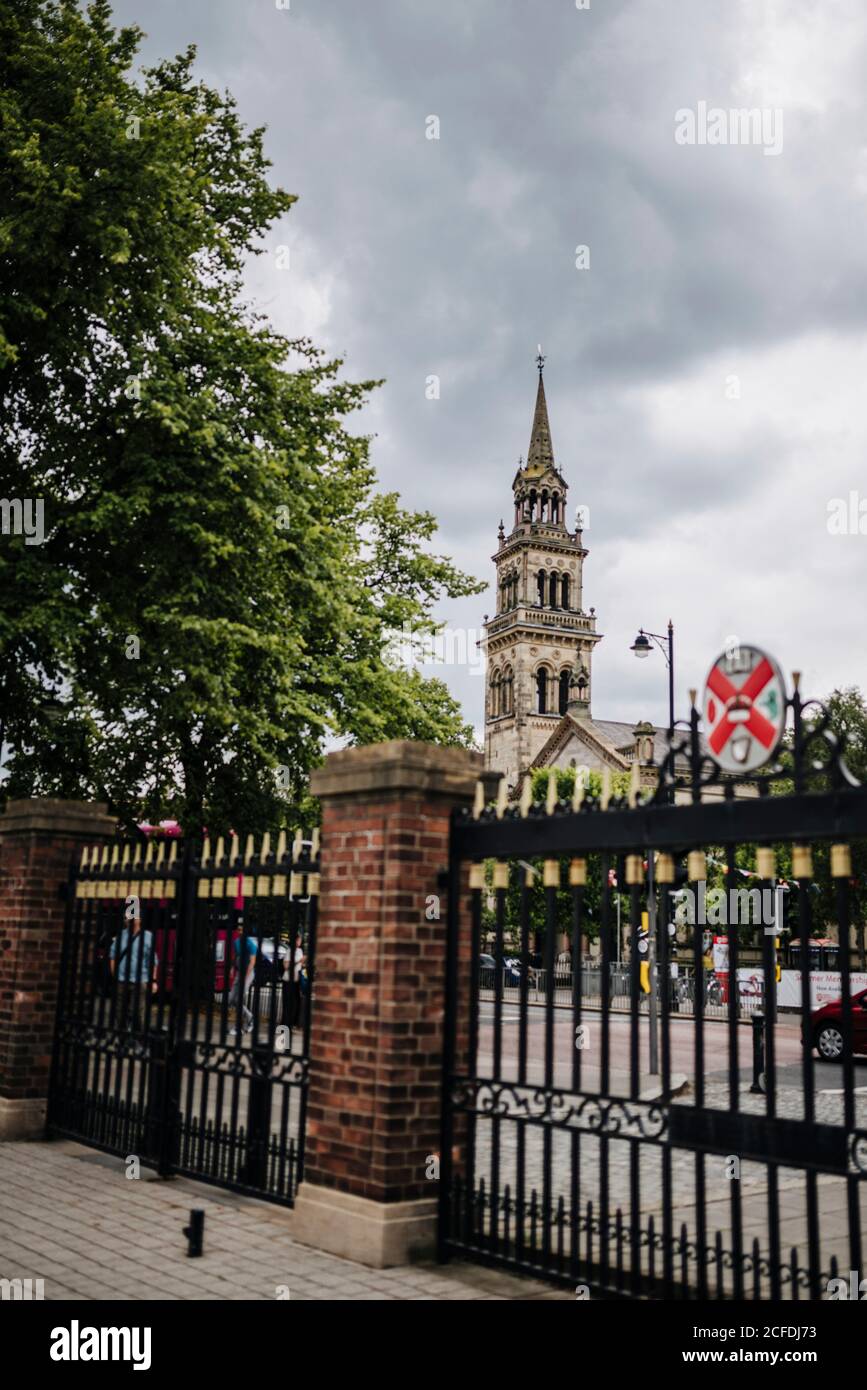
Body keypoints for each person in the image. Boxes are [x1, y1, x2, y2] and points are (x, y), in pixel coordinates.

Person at [109, 914, 159, 1028]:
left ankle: (137, 1037)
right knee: (119, 1012)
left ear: (140, 919)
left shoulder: (147, 936)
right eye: (127, 917)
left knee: (138, 1012)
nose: (129, 919)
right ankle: (122, 1037)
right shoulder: (121, 935)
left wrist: (154, 980)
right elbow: (112, 956)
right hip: (121, 980)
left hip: (140, 980)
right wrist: (115, 975)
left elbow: (152, 961)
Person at [228, 925, 258, 1036]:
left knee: (239, 999)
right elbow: (235, 956)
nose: (240, 932)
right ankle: (250, 1018)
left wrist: (245, 977)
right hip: (239, 973)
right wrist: (232, 967)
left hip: (248, 974)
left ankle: (238, 1027)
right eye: (239, 929)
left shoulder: (251, 944)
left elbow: (252, 962)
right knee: (231, 999)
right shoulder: (236, 942)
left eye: (242, 929)